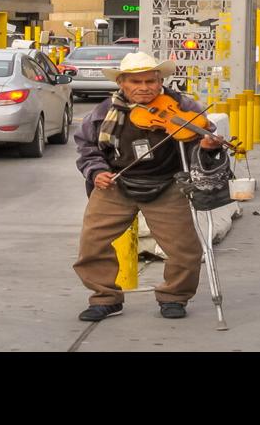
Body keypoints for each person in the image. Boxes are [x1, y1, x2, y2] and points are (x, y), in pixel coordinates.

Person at [72, 51, 223, 321]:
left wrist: (206, 147)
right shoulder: (105, 111)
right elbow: (87, 147)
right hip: (116, 183)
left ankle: (174, 296)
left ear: (160, 80)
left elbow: (199, 148)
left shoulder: (184, 105)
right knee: (92, 244)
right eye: (135, 82)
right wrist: (97, 172)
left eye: (150, 82)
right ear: (122, 83)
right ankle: (105, 297)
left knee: (185, 249)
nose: (144, 88)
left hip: (167, 183)